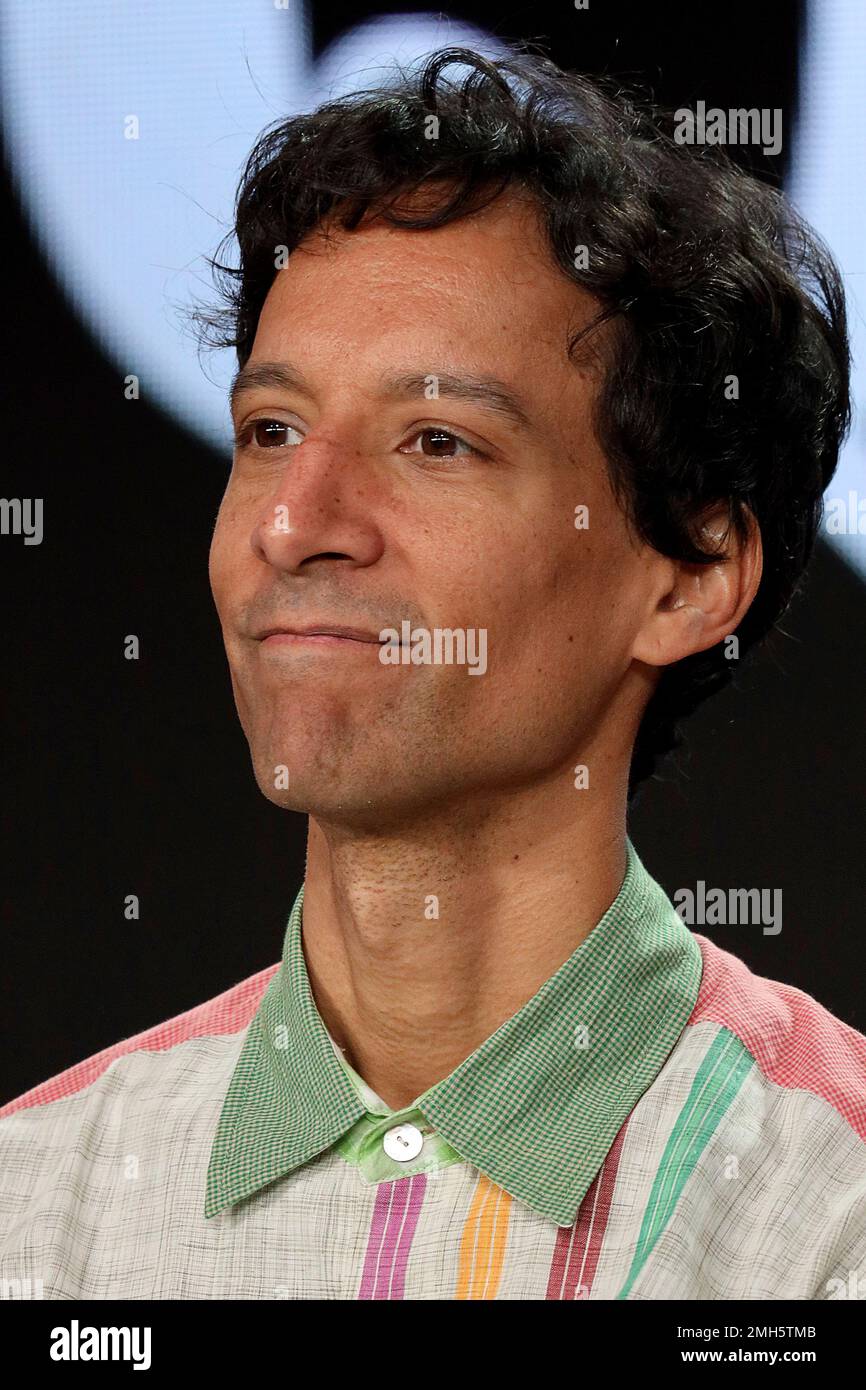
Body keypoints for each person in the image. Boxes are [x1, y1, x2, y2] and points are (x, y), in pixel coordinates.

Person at [1, 45, 862, 1301]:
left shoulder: (827, 1225)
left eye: (437, 441)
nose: (295, 523)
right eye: (271, 431)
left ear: (686, 577)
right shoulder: (34, 1210)